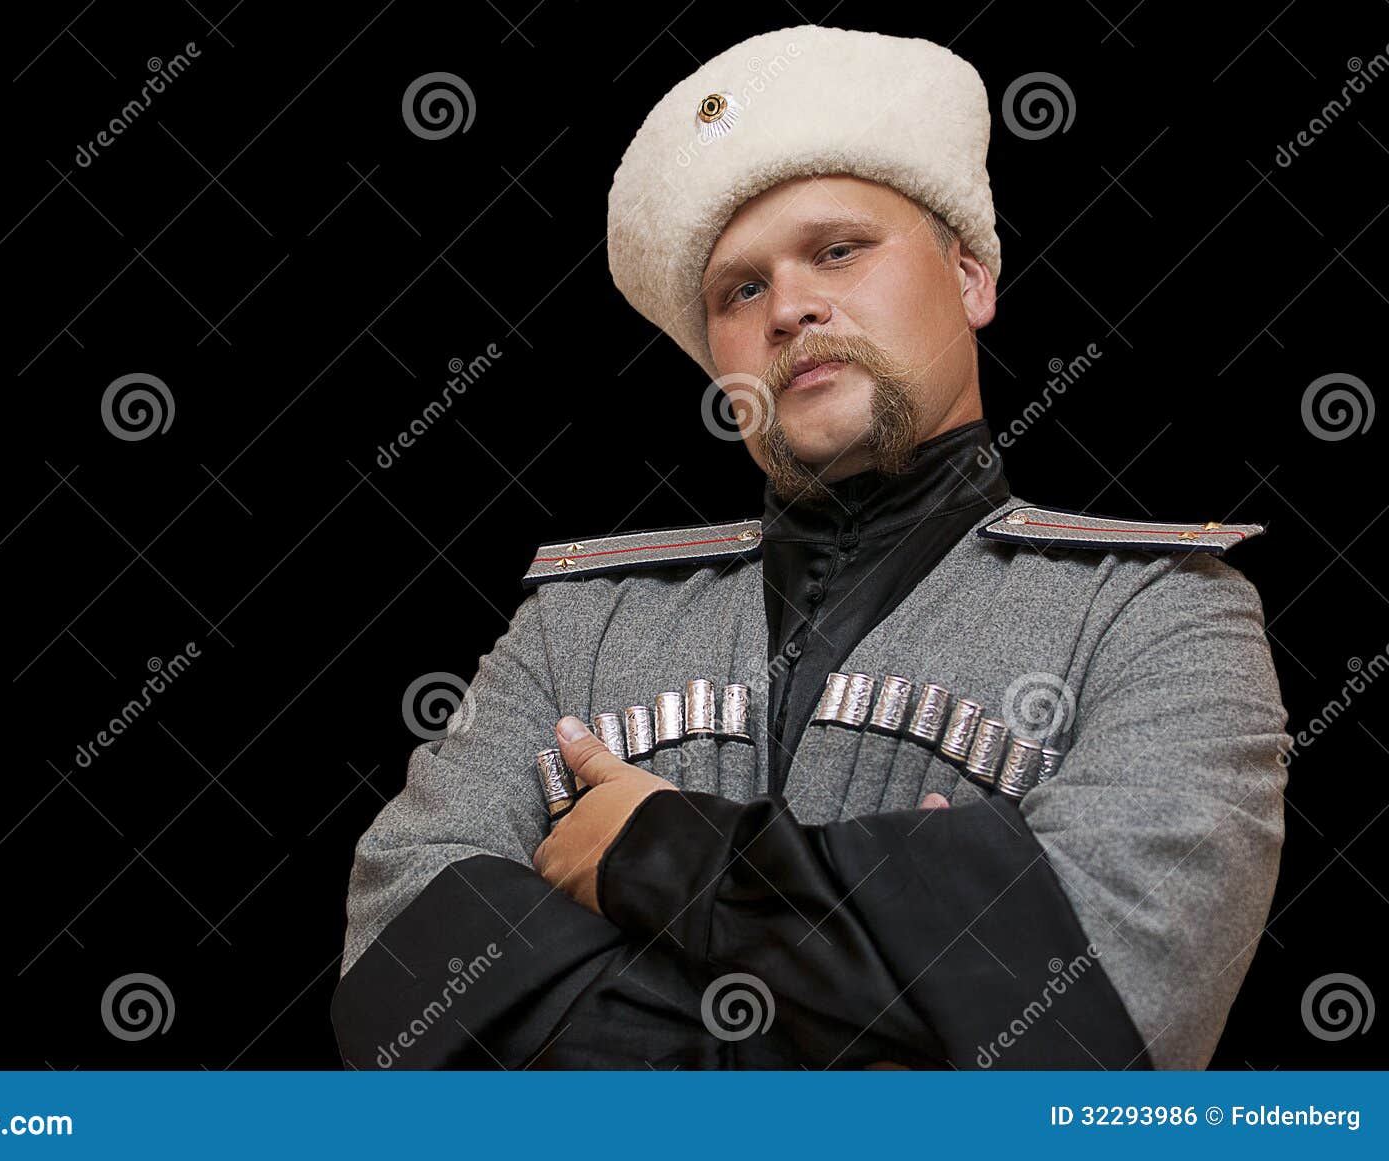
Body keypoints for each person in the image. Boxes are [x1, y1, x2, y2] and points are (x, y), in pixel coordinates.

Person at [330, 24, 1292, 1070]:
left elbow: (1102, 1021)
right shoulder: (572, 626)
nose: (789, 306)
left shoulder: (1161, 609)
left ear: (970, 278)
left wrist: (664, 856)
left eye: (837, 250)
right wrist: (923, 930)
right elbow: (400, 967)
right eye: (740, 291)